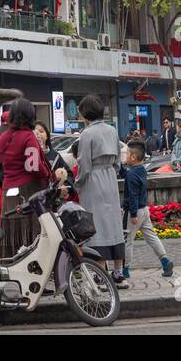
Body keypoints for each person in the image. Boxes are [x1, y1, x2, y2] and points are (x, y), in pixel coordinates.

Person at [73, 95, 127, 285]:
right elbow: (118, 160)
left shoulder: (87, 133)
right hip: (110, 177)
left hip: (93, 180)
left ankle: (99, 271)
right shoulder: (112, 130)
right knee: (113, 223)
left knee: (96, 224)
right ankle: (119, 271)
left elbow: (84, 164)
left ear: (85, 113)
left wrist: (77, 184)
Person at [0, 99, 55, 258]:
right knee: (32, 229)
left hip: (8, 191)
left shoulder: (3, 137)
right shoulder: (28, 136)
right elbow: (33, 166)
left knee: (11, 229)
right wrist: (48, 174)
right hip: (28, 191)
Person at [122, 141, 173, 278]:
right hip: (144, 210)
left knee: (127, 241)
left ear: (133, 157)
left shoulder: (131, 174)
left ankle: (125, 270)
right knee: (151, 237)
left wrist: (132, 214)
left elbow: (132, 195)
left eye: (127, 154)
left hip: (134, 212)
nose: (125, 156)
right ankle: (165, 261)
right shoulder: (141, 170)